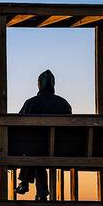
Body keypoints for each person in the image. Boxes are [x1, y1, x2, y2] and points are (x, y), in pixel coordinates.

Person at [13, 69, 71, 197]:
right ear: (53, 84)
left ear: (39, 84)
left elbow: (17, 124)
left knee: (33, 149)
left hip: (34, 149)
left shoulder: (31, 103)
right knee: (36, 151)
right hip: (61, 149)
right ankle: (40, 190)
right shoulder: (64, 104)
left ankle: (26, 183)